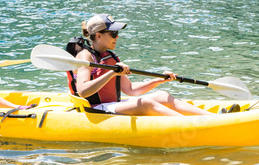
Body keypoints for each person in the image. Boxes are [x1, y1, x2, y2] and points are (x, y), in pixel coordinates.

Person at [65, 14, 207, 116]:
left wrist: (159, 80)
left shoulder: (110, 57)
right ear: (98, 36)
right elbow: (83, 91)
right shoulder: (85, 56)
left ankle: (211, 118)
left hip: (112, 105)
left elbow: (130, 89)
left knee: (162, 95)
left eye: (117, 33)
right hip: (96, 109)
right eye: (113, 33)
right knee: (145, 103)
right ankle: (194, 125)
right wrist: (112, 73)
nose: (117, 37)